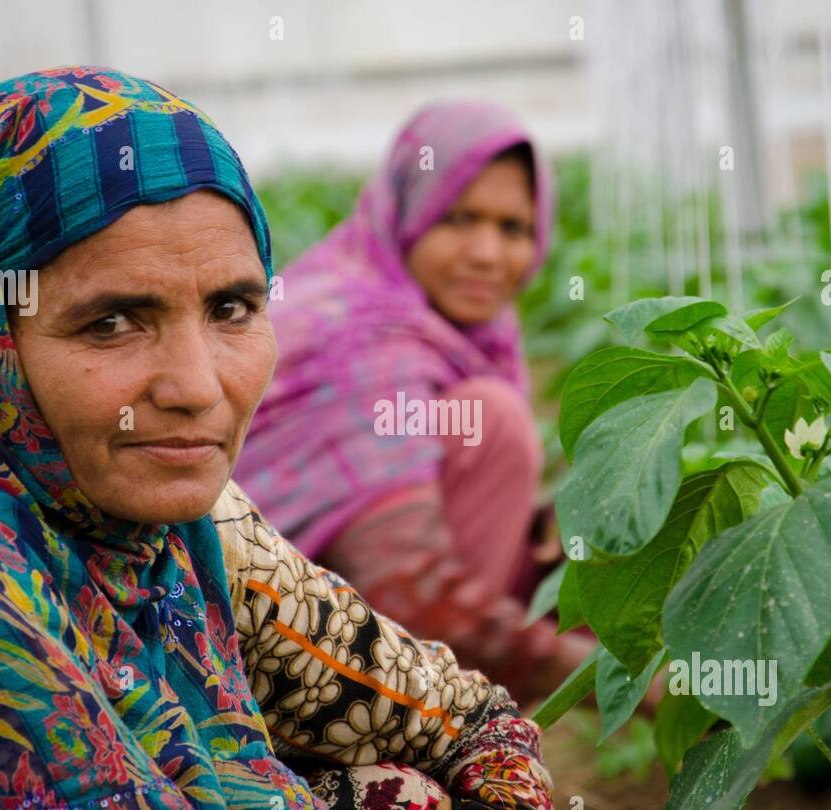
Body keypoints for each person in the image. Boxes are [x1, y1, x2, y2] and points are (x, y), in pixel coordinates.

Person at [0, 67, 553, 810]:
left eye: (231, 308)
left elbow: (478, 720)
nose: (196, 387)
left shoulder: (173, 521)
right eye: (112, 322)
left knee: (401, 801)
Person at [235, 101, 596, 707]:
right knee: (491, 422)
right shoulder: (362, 339)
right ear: (406, 213)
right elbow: (411, 591)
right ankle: (435, 733)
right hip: (275, 673)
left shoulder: (461, 331)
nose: (487, 253)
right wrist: (624, 684)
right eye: (458, 219)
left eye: (514, 229)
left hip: (332, 637)